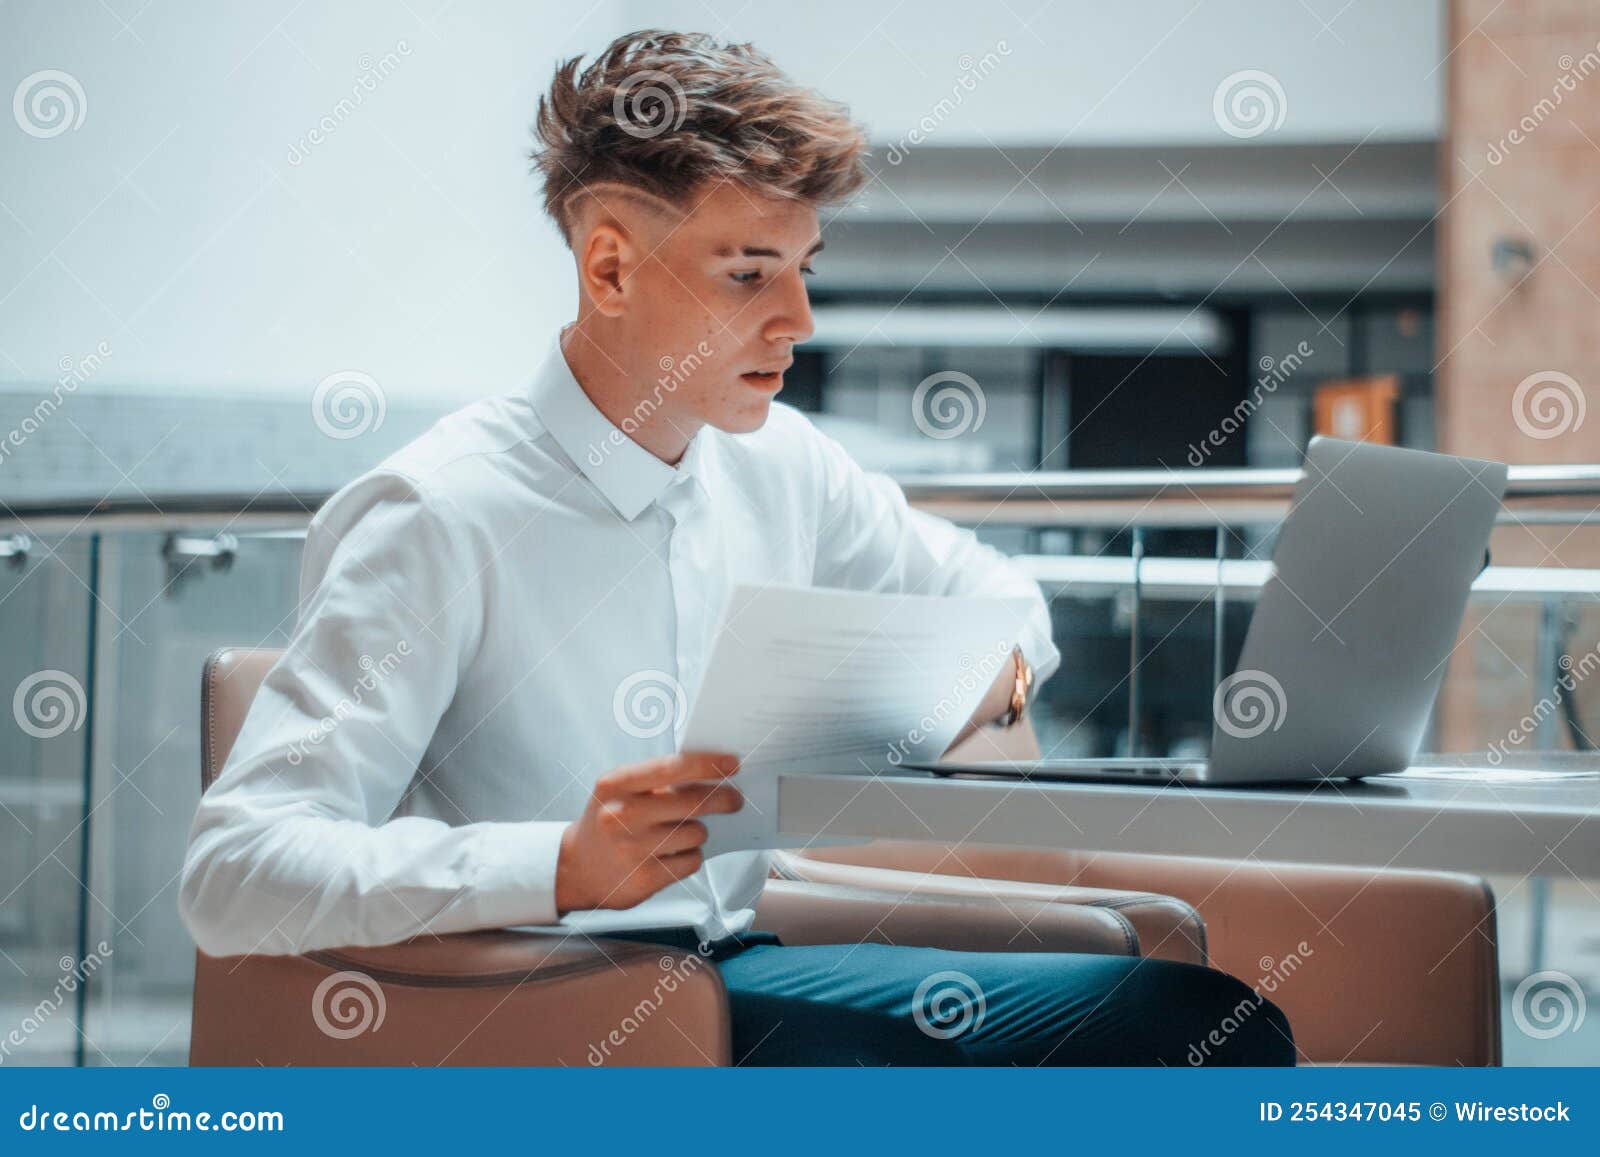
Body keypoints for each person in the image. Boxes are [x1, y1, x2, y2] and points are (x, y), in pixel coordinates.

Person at [178, 28, 1294, 1066]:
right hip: (555, 999)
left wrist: (967, 683)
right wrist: (561, 861)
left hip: (745, 967)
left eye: (805, 265)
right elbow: (233, 871)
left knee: (1207, 1018)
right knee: (1188, 1032)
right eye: (749, 272)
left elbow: (1003, 606)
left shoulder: (783, 467)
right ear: (609, 270)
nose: (799, 318)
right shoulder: (439, 514)